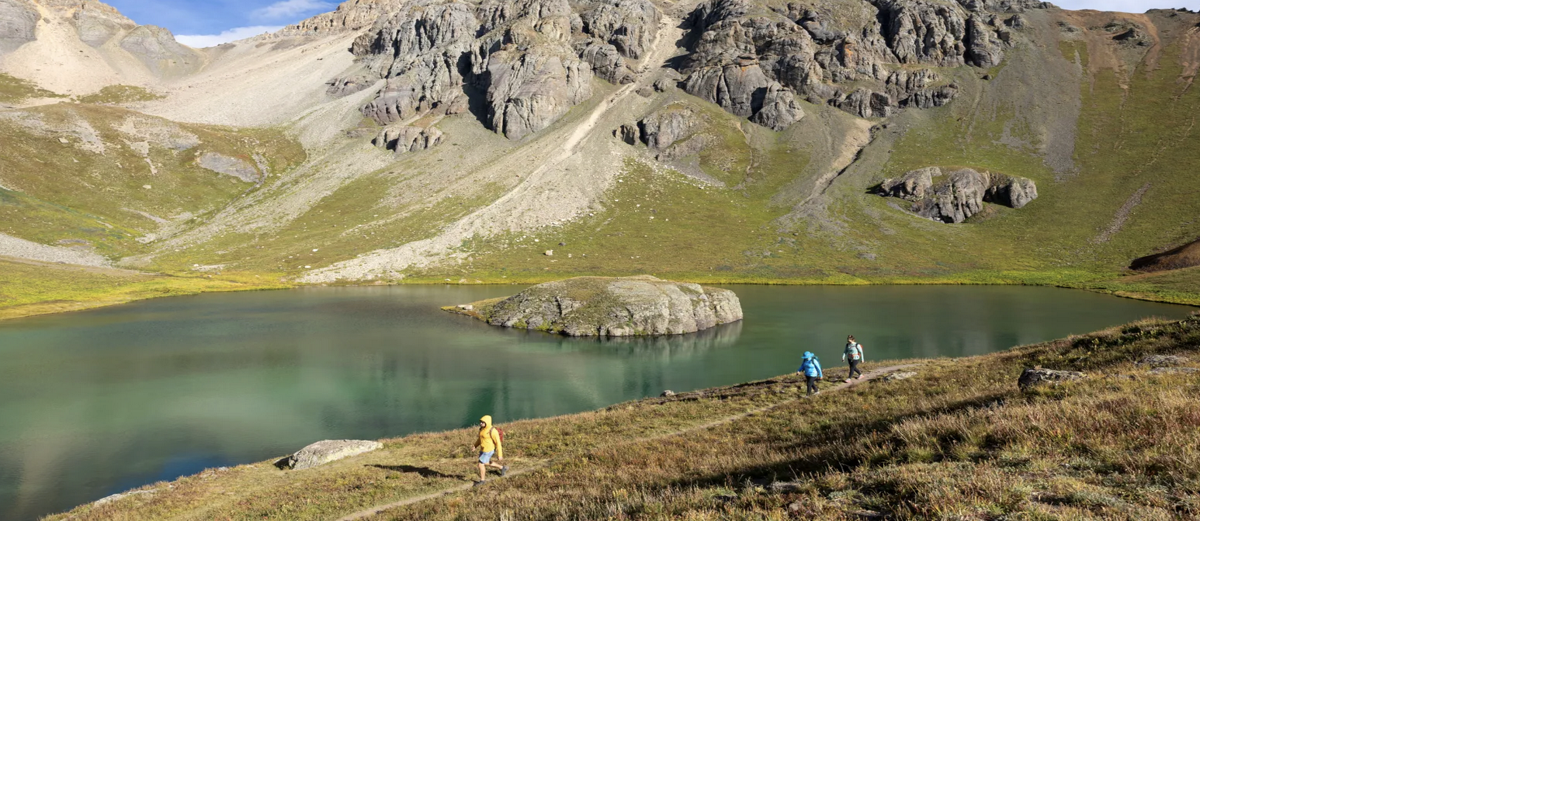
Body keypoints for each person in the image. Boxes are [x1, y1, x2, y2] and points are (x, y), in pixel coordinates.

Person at [472, 415, 505, 485]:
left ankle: (482, 481)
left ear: (487, 422)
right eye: (480, 422)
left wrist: (500, 455)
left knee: (480, 464)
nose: (481, 423)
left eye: (483, 422)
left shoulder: (493, 431)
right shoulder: (482, 429)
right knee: (486, 463)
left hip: (489, 450)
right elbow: (480, 439)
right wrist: (475, 446)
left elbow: (498, 443)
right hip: (483, 449)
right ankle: (502, 468)